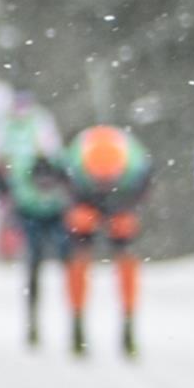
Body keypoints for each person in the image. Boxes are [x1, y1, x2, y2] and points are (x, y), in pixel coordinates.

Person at [59, 124, 153, 358]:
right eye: (100, 182)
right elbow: (65, 187)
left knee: (126, 253)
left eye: (108, 182)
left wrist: (125, 209)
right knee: (80, 251)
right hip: (84, 198)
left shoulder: (136, 164)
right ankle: (77, 321)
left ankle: (128, 321)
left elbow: (144, 188)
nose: (104, 188)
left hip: (124, 198)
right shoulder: (75, 162)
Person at [0, 95, 72, 348]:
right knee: (38, 263)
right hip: (31, 207)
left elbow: (56, 160)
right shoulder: (10, 129)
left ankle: (71, 322)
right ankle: (36, 324)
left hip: (47, 208)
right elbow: (5, 168)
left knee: (58, 263)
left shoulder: (39, 123)